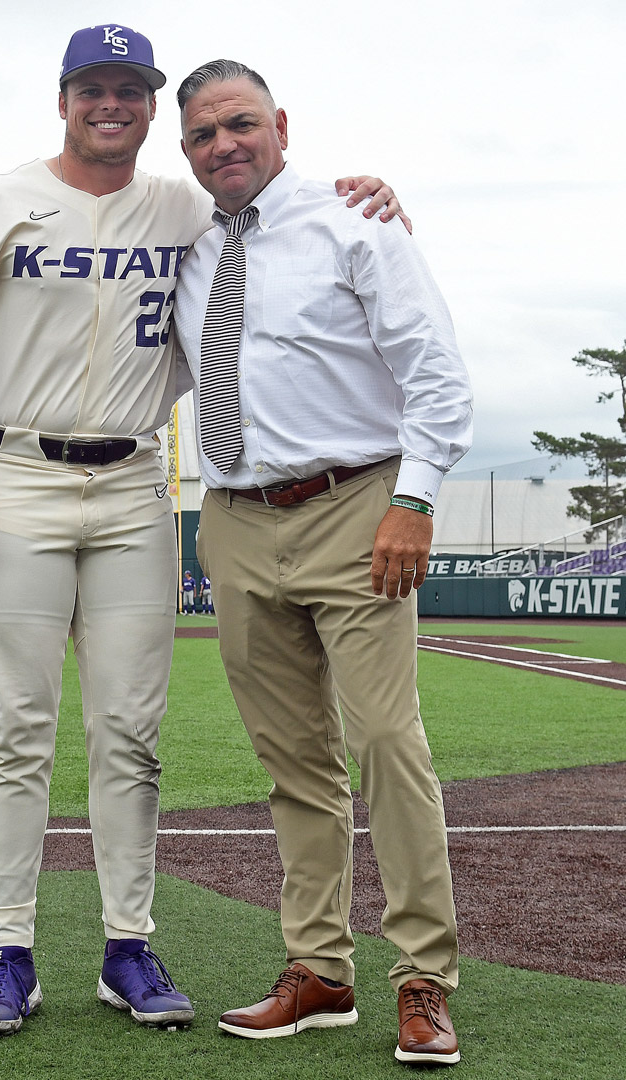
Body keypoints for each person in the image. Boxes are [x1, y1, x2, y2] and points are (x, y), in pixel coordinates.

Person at [0, 25, 406, 1038]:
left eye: (130, 90)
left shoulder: (185, 206)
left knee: (130, 732)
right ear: (62, 100)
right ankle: (7, 953)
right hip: (18, 475)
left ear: (148, 110)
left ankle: (126, 946)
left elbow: (276, 203)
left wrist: (366, 195)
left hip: (136, 481)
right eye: (94, 87)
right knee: (17, 728)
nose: (112, 104)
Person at [171, 61, 473, 1065]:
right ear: (187, 151)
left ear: (282, 126)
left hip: (355, 505)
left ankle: (423, 975)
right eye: (204, 133)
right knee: (293, 762)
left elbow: (436, 371)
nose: (224, 144)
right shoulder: (184, 244)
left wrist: (413, 500)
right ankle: (319, 971)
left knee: (386, 741)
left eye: (241, 124)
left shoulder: (356, 221)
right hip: (234, 519)